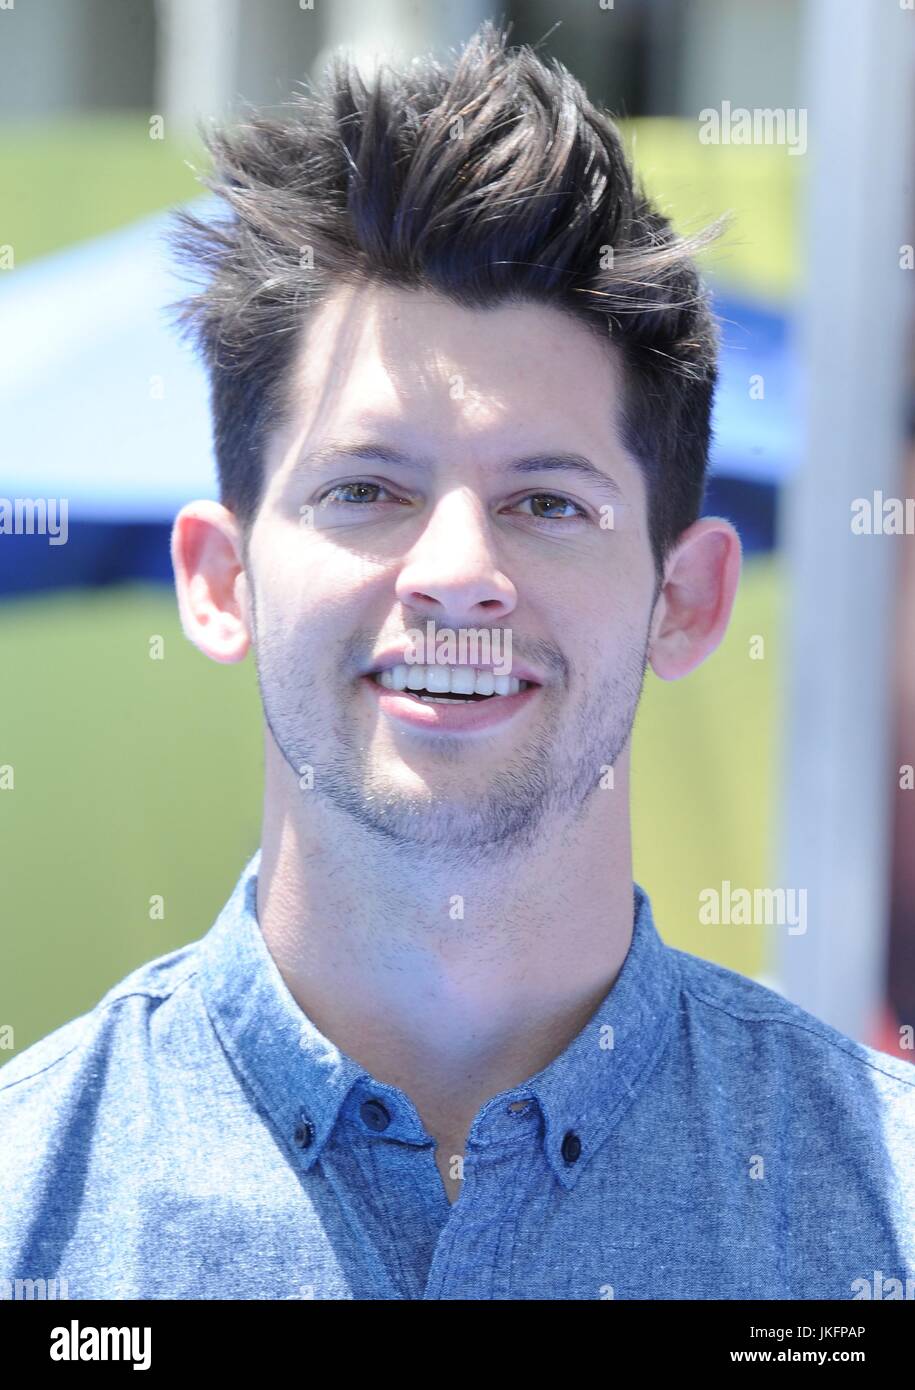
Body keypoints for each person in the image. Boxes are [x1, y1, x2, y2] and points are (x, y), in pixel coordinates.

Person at [1, 21, 912, 1302]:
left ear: (687, 598)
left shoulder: (889, 1212)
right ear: (219, 581)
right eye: (366, 488)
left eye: (548, 502)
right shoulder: (25, 1209)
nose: (456, 569)